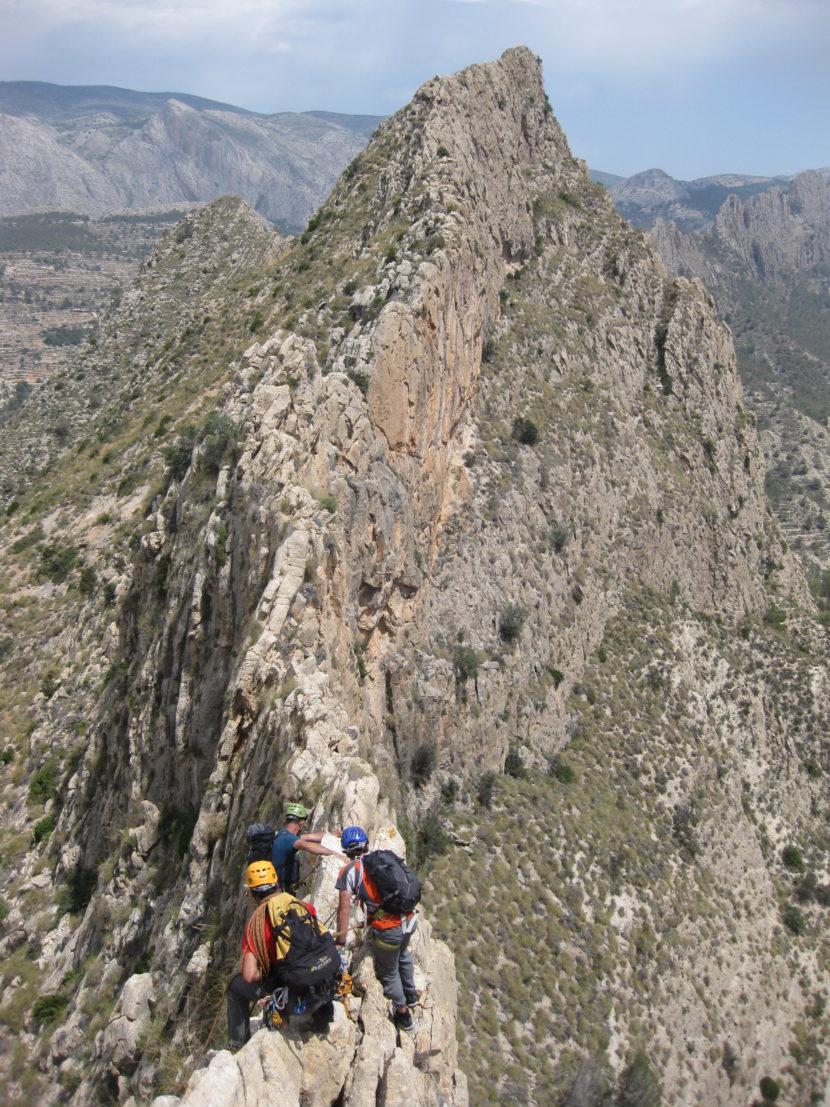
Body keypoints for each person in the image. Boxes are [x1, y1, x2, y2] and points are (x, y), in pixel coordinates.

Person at [226, 860, 338, 1049]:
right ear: (276, 884)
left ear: (253, 893)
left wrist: (265, 970)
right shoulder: (301, 905)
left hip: (287, 988)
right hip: (319, 978)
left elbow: (249, 975)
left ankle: (238, 1043)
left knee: (234, 985)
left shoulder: (256, 924)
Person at [333, 826, 418, 1032]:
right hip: (409, 919)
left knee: (389, 972)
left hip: (389, 929)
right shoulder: (384, 858)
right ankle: (411, 996)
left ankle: (403, 1015)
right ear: (367, 845)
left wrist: (340, 942)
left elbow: (343, 910)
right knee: (403, 955)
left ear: (347, 852)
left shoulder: (350, 872)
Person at [271, 802, 345, 894]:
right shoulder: (289, 839)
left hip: (277, 888)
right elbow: (308, 846)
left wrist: (335, 834)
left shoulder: (282, 835)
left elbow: (312, 837)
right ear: (301, 822)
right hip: (280, 891)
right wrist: (338, 855)